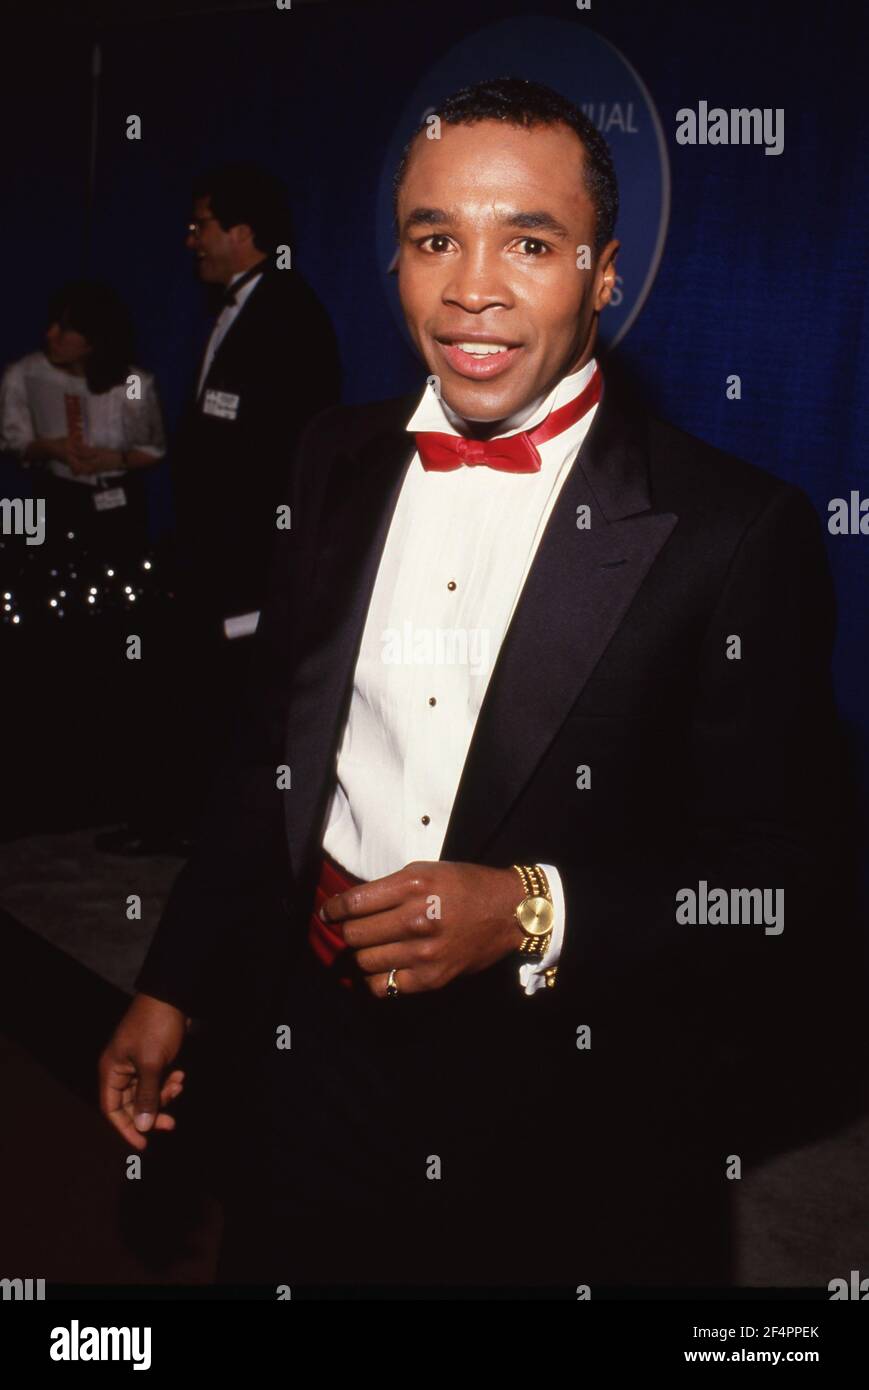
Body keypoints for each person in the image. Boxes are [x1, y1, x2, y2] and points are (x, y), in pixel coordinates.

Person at [98, 78, 855, 1293]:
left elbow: (789, 884)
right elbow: (270, 764)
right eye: (435, 238)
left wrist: (533, 909)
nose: (473, 288)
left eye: (531, 243)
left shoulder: (730, 531)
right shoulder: (332, 457)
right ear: (394, 257)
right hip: (311, 1060)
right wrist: (173, 981)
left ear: (603, 274)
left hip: (563, 1106)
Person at [97, 162, 341, 855]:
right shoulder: (235, 311)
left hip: (250, 563)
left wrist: (264, 561)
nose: (189, 240)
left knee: (237, 697)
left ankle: (223, 840)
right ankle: (178, 822)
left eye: (199, 225)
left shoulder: (291, 316)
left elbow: (295, 452)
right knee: (192, 687)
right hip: (207, 555)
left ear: (241, 232)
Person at [0, 279, 165, 565]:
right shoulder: (22, 374)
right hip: (52, 498)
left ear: (92, 341)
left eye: (64, 328)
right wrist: (53, 449)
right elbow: (14, 442)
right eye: (52, 323)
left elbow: (152, 449)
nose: (50, 334)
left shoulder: (134, 382)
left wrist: (112, 460)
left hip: (117, 502)